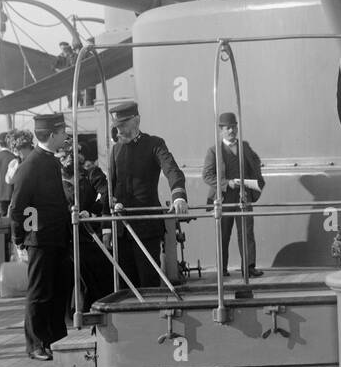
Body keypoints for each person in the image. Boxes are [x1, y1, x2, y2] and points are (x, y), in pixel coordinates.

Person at [9, 113, 72, 361]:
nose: (66, 136)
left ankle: (56, 339)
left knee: (59, 290)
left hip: (57, 237)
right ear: (53, 134)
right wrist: (22, 238)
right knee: (39, 292)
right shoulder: (31, 165)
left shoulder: (51, 161)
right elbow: (20, 207)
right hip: (40, 240)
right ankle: (36, 343)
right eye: (63, 131)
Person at [107, 100, 188, 288]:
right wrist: (106, 227)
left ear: (137, 121)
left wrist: (178, 196)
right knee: (125, 285)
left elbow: (172, 170)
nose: (119, 131)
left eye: (123, 125)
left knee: (148, 281)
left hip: (146, 228)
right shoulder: (115, 150)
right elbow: (110, 187)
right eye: (117, 126)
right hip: (121, 229)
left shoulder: (154, 144)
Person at [202, 112, 265, 278]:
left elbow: (256, 163)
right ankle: (222, 268)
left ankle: (249, 267)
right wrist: (226, 183)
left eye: (234, 127)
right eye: (228, 128)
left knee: (246, 232)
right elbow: (207, 175)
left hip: (244, 196)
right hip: (223, 199)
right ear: (221, 130)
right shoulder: (213, 151)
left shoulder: (245, 147)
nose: (232, 131)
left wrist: (252, 183)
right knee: (223, 233)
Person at [61, 137, 112, 309]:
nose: (68, 159)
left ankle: (93, 307)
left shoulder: (92, 174)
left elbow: (106, 194)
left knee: (96, 271)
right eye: (63, 156)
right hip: (64, 236)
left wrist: (92, 212)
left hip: (88, 234)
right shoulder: (53, 179)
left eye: (70, 155)